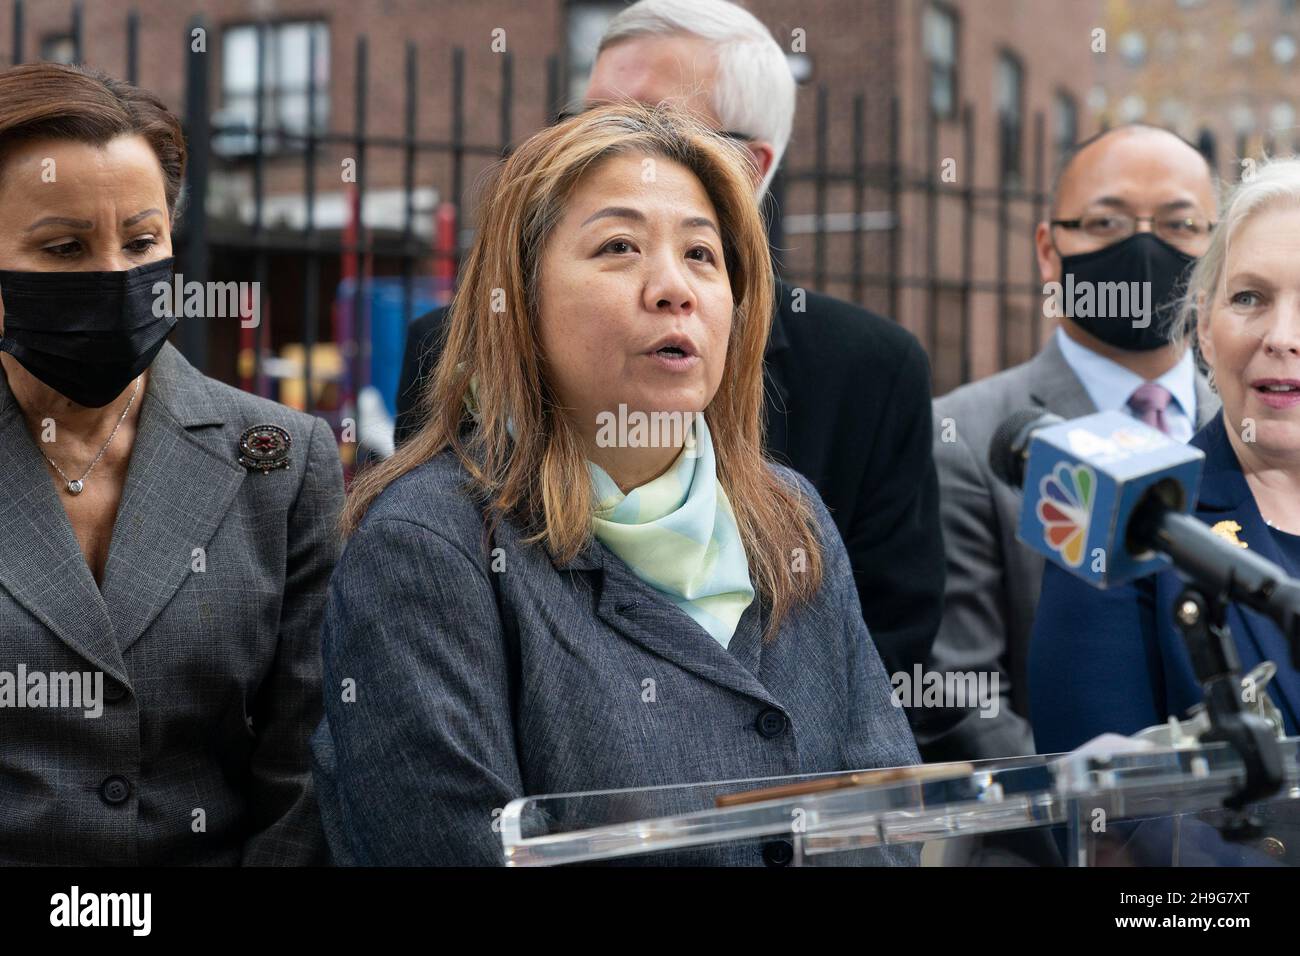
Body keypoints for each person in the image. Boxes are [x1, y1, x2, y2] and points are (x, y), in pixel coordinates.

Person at [310, 103, 921, 866]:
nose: (673, 289)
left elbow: (887, 815)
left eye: (702, 255)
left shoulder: (790, 519)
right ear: (520, 303)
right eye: (620, 246)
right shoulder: (430, 546)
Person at [393, 0, 944, 683]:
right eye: (590, 118)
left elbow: (883, 678)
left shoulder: (860, 391)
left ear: (748, 166)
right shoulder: (449, 361)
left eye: (653, 121)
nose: (610, 145)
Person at [0, 63, 344, 865]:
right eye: (64, 246)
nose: (118, 276)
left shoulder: (282, 463)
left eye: (142, 241)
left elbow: (307, 764)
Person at [918, 124, 1221, 764]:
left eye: (1179, 225)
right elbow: (961, 701)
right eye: (1107, 224)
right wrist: (1113, 824)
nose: (1145, 249)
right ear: (1049, 251)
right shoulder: (966, 439)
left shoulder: (1251, 429)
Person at [1031, 156, 1300, 754]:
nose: (1282, 336)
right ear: (1204, 325)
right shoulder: (1120, 523)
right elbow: (1105, 820)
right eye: (1250, 297)